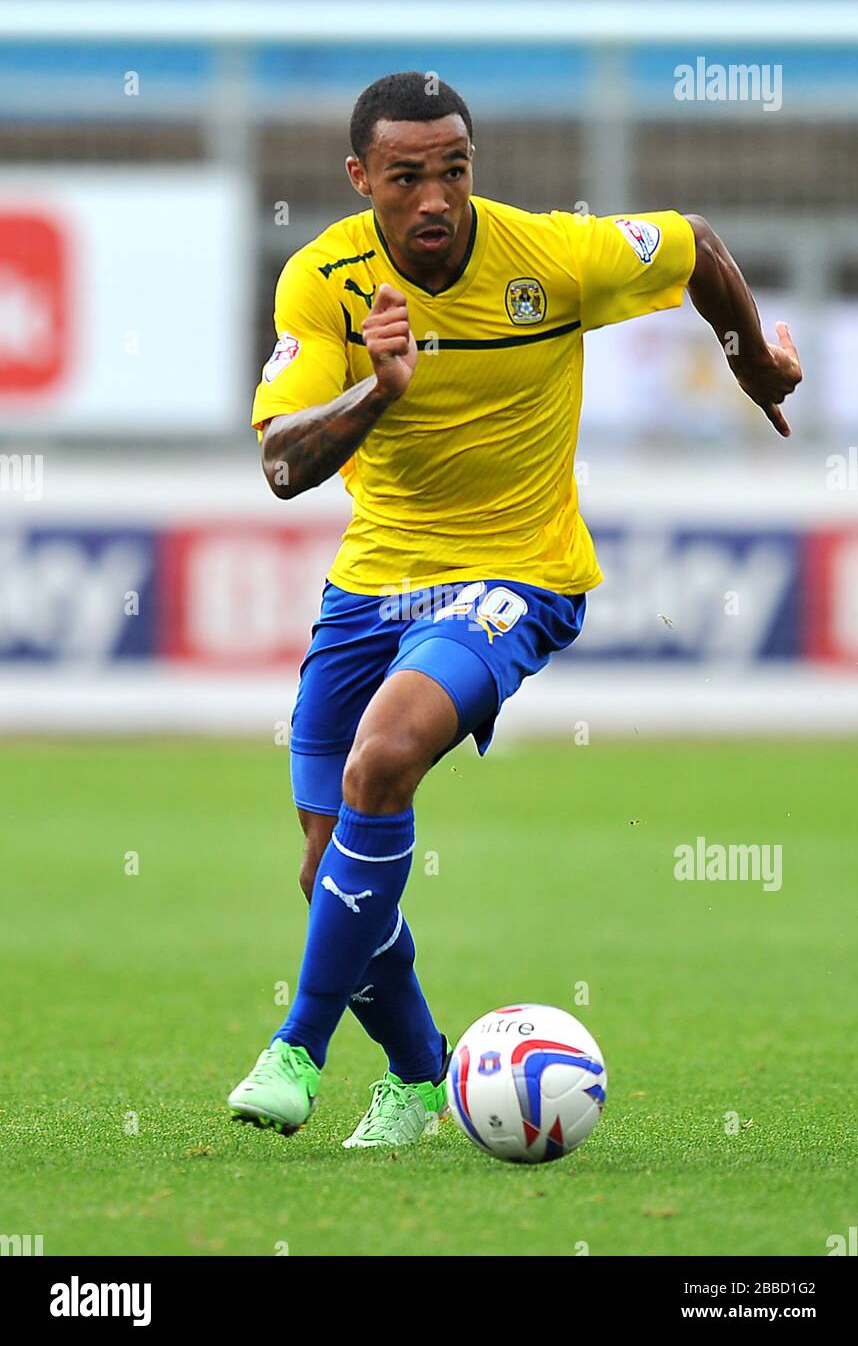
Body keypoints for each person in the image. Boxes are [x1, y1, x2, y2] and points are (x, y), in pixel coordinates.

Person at [227, 71, 802, 1149]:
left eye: (453, 169)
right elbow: (279, 464)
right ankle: (414, 1072)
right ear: (361, 180)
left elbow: (693, 245)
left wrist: (753, 365)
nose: (435, 196)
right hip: (370, 585)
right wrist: (376, 389)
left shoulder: (548, 256)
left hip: (513, 574)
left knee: (379, 761)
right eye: (407, 177)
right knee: (325, 871)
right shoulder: (323, 281)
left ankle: (296, 1046)